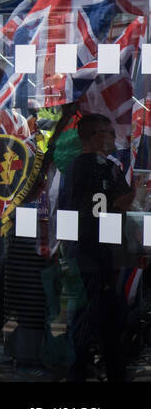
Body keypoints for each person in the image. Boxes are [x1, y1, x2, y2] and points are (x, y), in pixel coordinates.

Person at [61, 113, 133, 382]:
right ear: (95, 136)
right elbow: (119, 201)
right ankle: (76, 374)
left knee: (110, 320)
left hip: (101, 256)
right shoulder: (87, 166)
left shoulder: (104, 166)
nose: (113, 137)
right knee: (85, 320)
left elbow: (123, 197)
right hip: (88, 256)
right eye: (109, 132)